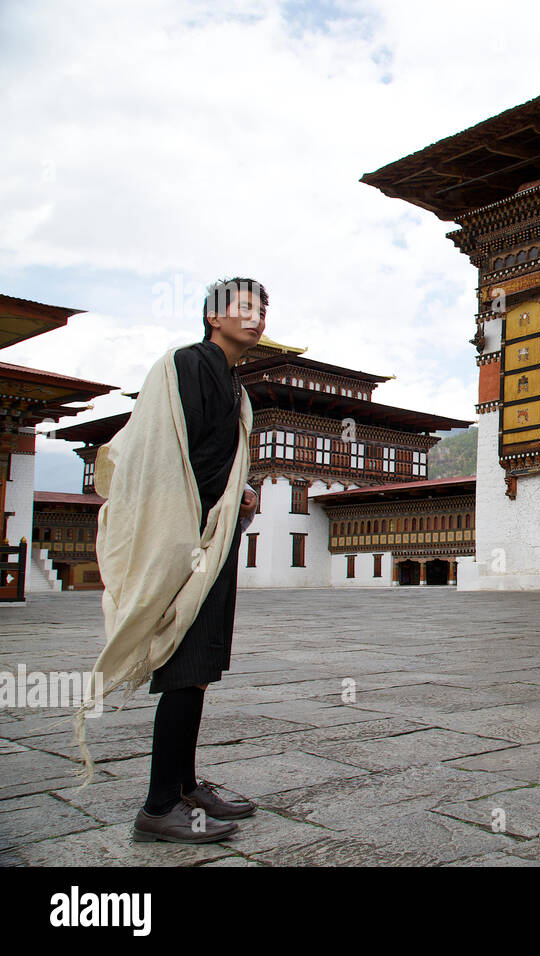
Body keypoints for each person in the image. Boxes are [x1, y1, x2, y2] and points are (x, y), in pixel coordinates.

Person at [81, 277, 266, 844]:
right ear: (213, 317)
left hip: (213, 534)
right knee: (185, 662)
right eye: (243, 307)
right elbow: (173, 453)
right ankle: (159, 804)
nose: (256, 317)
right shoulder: (188, 363)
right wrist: (219, 503)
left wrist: (242, 494)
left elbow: (218, 458)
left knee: (202, 659)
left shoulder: (235, 384)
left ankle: (185, 785)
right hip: (187, 538)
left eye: (263, 309)